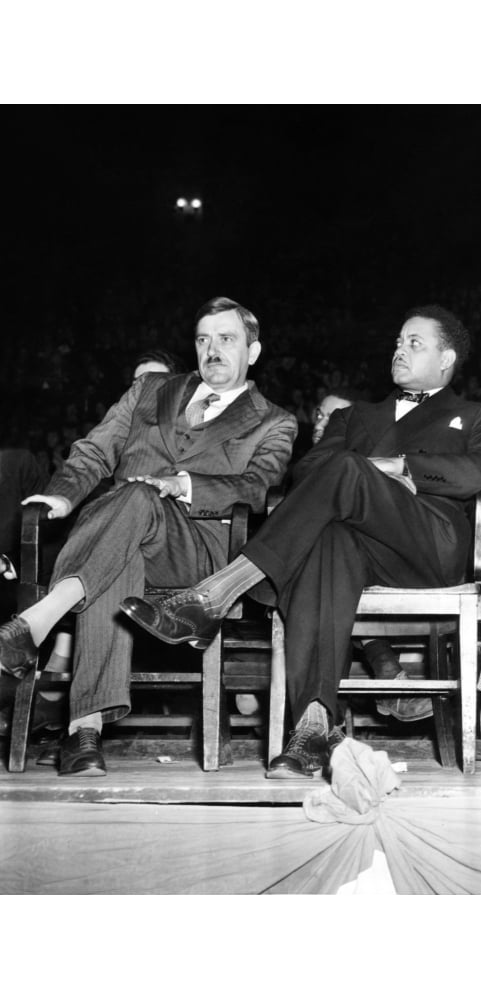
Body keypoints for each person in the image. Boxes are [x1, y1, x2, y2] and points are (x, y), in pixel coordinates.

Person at [121, 305, 481, 779]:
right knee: (329, 541)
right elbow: (308, 472)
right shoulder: (356, 416)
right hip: (360, 544)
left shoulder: (478, 416)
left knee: (350, 469)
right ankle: (313, 726)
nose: (399, 349)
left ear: (447, 358)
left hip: (431, 543)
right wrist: (366, 475)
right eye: (398, 341)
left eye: (415, 343)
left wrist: (402, 467)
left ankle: (219, 591)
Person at [0, 297, 297, 777]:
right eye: (204, 339)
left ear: (253, 351)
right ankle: (85, 735)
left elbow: (256, 487)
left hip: (195, 552)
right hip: (116, 536)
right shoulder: (150, 389)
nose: (213, 350)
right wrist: (61, 496)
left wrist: (183, 486)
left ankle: (35, 625)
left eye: (227, 339)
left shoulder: (274, 421)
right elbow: (95, 451)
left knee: (137, 500)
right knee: (121, 545)